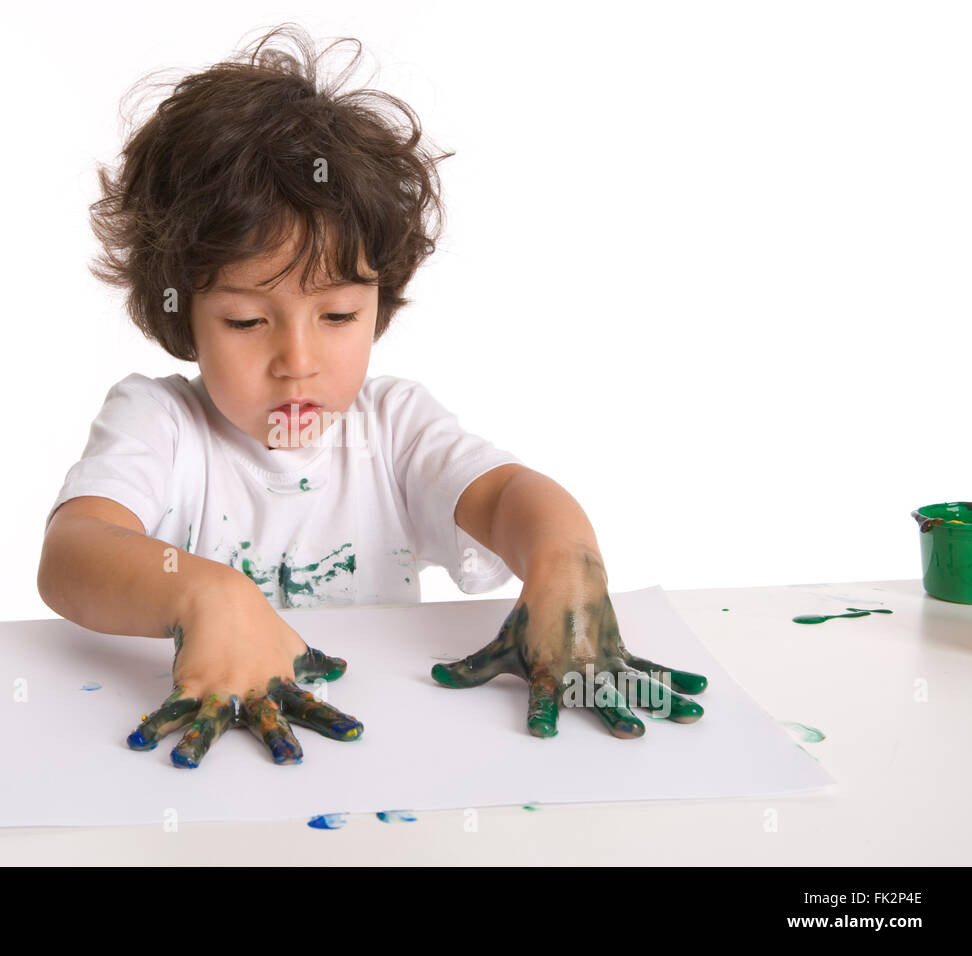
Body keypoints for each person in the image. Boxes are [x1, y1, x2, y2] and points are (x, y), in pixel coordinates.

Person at [37, 23, 707, 770]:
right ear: (181, 313)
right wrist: (206, 594)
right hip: (205, 780)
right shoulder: (161, 425)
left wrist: (564, 559)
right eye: (247, 320)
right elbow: (73, 553)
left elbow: (509, 494)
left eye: (338, 316)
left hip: (381, 765)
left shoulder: (393, 429)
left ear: (379, 304)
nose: (297, 361)